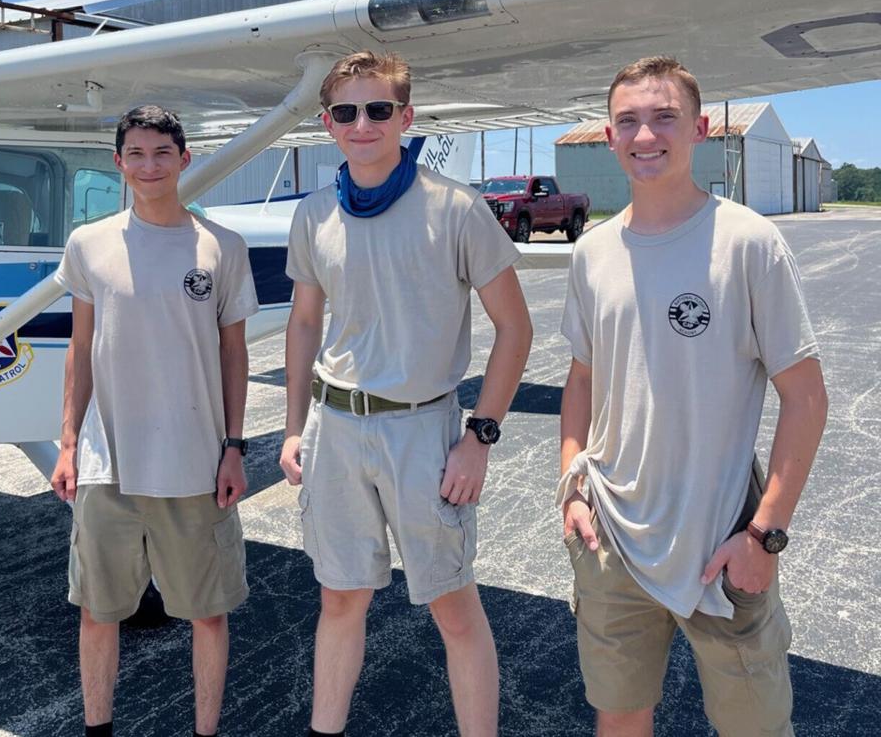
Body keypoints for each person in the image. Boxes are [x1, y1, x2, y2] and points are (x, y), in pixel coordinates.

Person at [558, 56, 828, 736]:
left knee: (755, 725)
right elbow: (582, 377)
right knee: (621, 715)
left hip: (723, 537)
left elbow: (806, 397)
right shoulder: (592, 252)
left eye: (664, 117)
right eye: (628, 121)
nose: (645, 135)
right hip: (612, 539)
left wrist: (764, 535)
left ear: (700, 129)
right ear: (609, 137)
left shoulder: (748, 243)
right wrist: (571, 487)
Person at [279, 50, 533, 737]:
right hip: (336, 427)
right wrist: (294, 427)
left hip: (423, 431)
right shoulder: (315, 214)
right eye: (346, 111)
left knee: (454, 607)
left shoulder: (456, 208)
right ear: (328, 124)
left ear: (406, 117)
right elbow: (304, 324)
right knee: (340, 600)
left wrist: (479, 437)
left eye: (378, 109)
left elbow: (515, 328)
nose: (362, 124)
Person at [50, 105, 258, 737]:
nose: (149, 166)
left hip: (194, 465)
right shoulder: (89, 243)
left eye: (162, 152)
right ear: (118, 163)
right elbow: (80, 347)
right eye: (136, 154)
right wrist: (68, 443)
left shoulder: (222, 246)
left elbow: (233, 353)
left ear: (184, 159)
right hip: (107, 464)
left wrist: (233, 446)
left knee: (208, 614)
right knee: (97, 612)